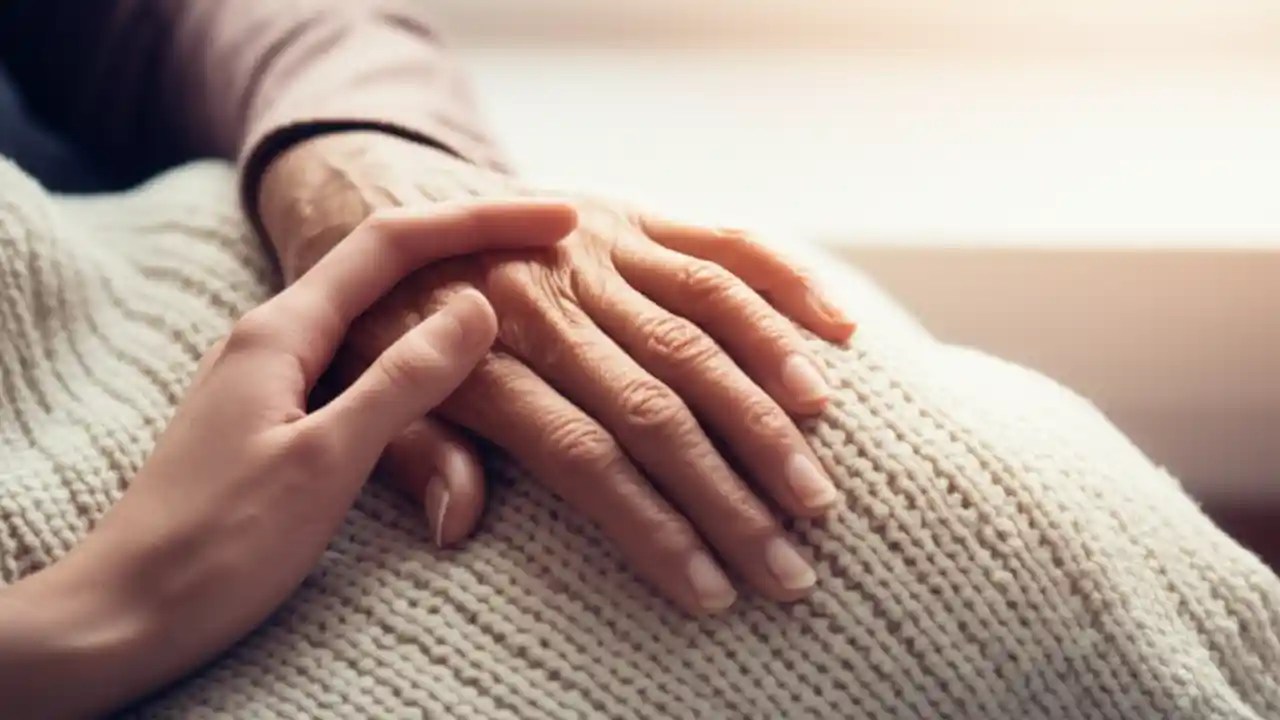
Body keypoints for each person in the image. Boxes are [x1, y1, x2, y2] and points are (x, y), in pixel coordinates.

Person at [0, 1, 1276, 717]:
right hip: (98, 577)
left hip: (208, 279)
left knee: (990, 548)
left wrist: (359, 163)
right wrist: (90, 620)